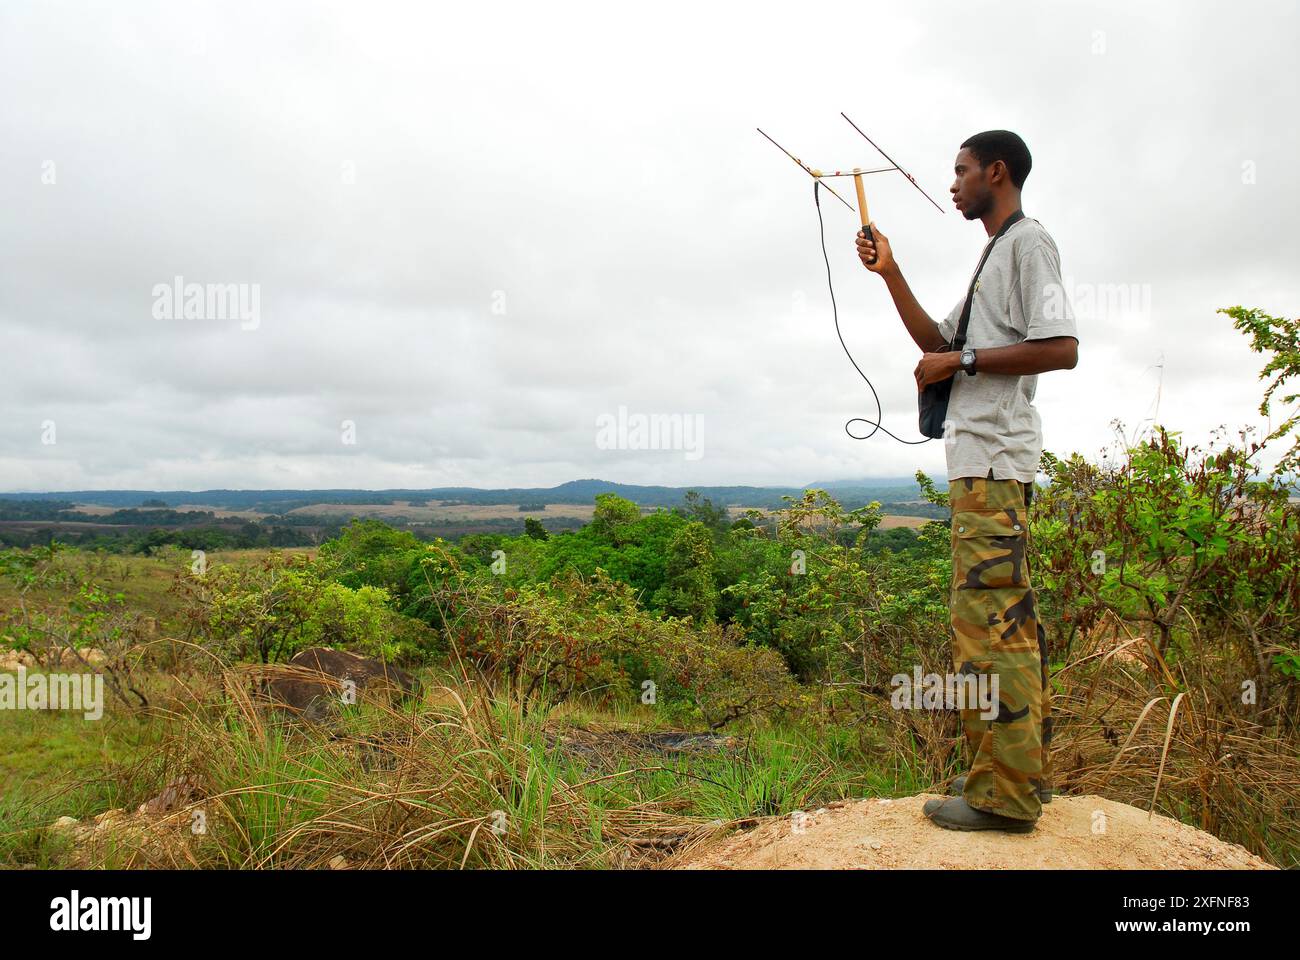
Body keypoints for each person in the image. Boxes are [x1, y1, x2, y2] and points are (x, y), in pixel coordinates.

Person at [856, 130, 1078, 833]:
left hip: (992, 464)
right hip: (984, 466)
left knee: (989, 629)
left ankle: (1003, 799)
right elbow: (936, 343)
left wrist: (963, 364)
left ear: (997, 171)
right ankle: (1012, 772)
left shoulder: (1027, 243)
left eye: (961, 171)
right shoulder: (994, 253)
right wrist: (891, 272)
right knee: (1002, 623)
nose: (952, 183)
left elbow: (1062, 348)